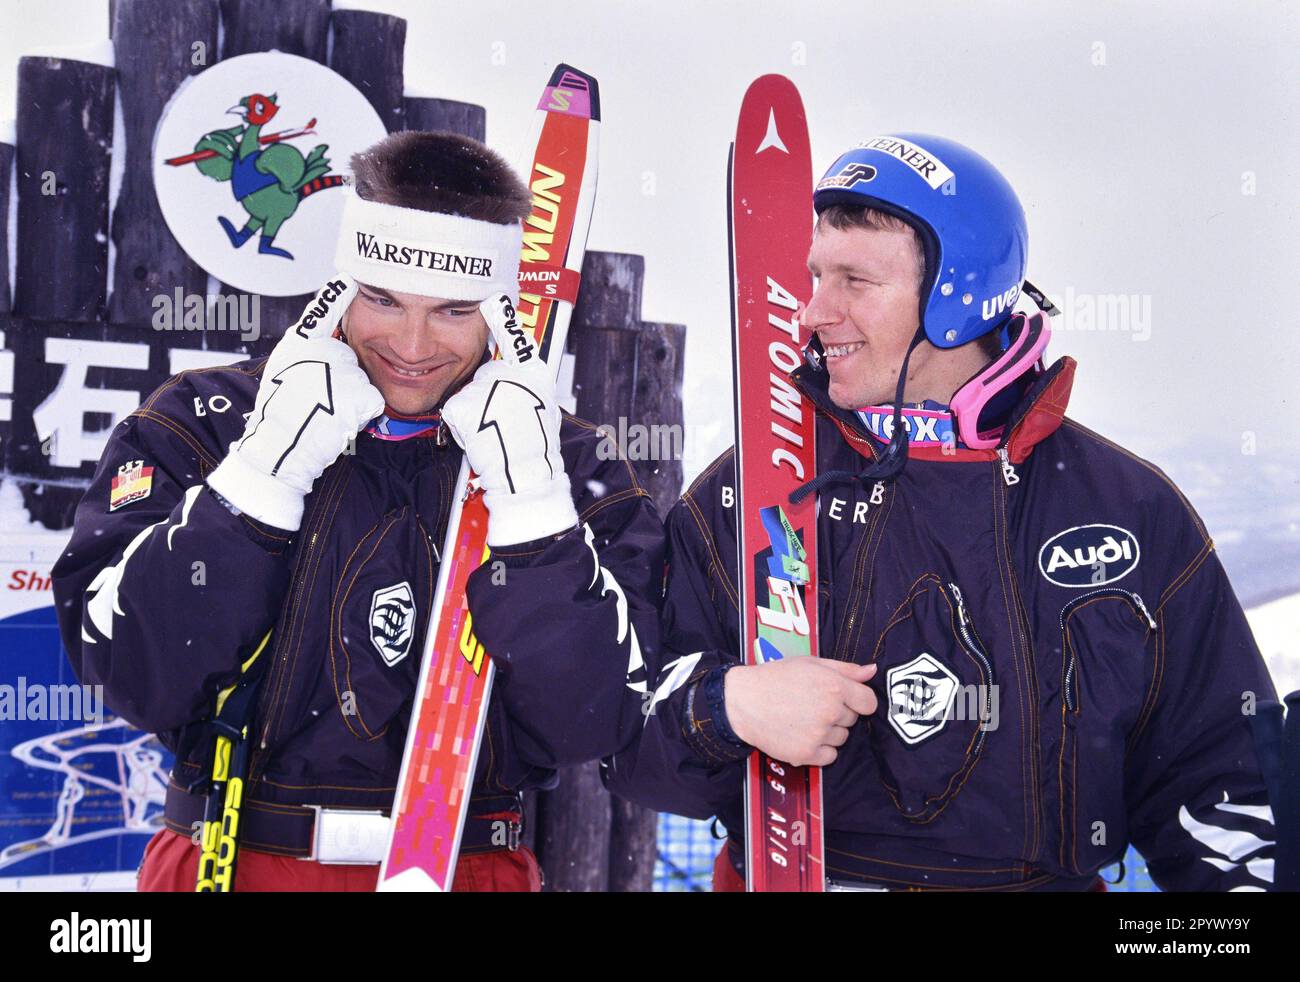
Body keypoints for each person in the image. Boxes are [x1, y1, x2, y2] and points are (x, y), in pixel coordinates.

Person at [604, 133, 1279, 891]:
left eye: (856, 280)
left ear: (958, 296)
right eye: (813, 276)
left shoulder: (1126, 509)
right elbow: (623, 745)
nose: (812, 313)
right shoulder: (759, 491)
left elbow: (1223, 786)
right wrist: (724, 709)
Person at [51, 131, 663, 892]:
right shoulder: (206, 420)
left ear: (502, 311)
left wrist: (533, 510)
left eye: (452, 310)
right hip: (234, 856)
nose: (411, 343)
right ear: (342, 284)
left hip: (464, 862)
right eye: (382, 298)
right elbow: (131, 672)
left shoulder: (567, 461)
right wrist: (263, 474)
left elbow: (592, 721)